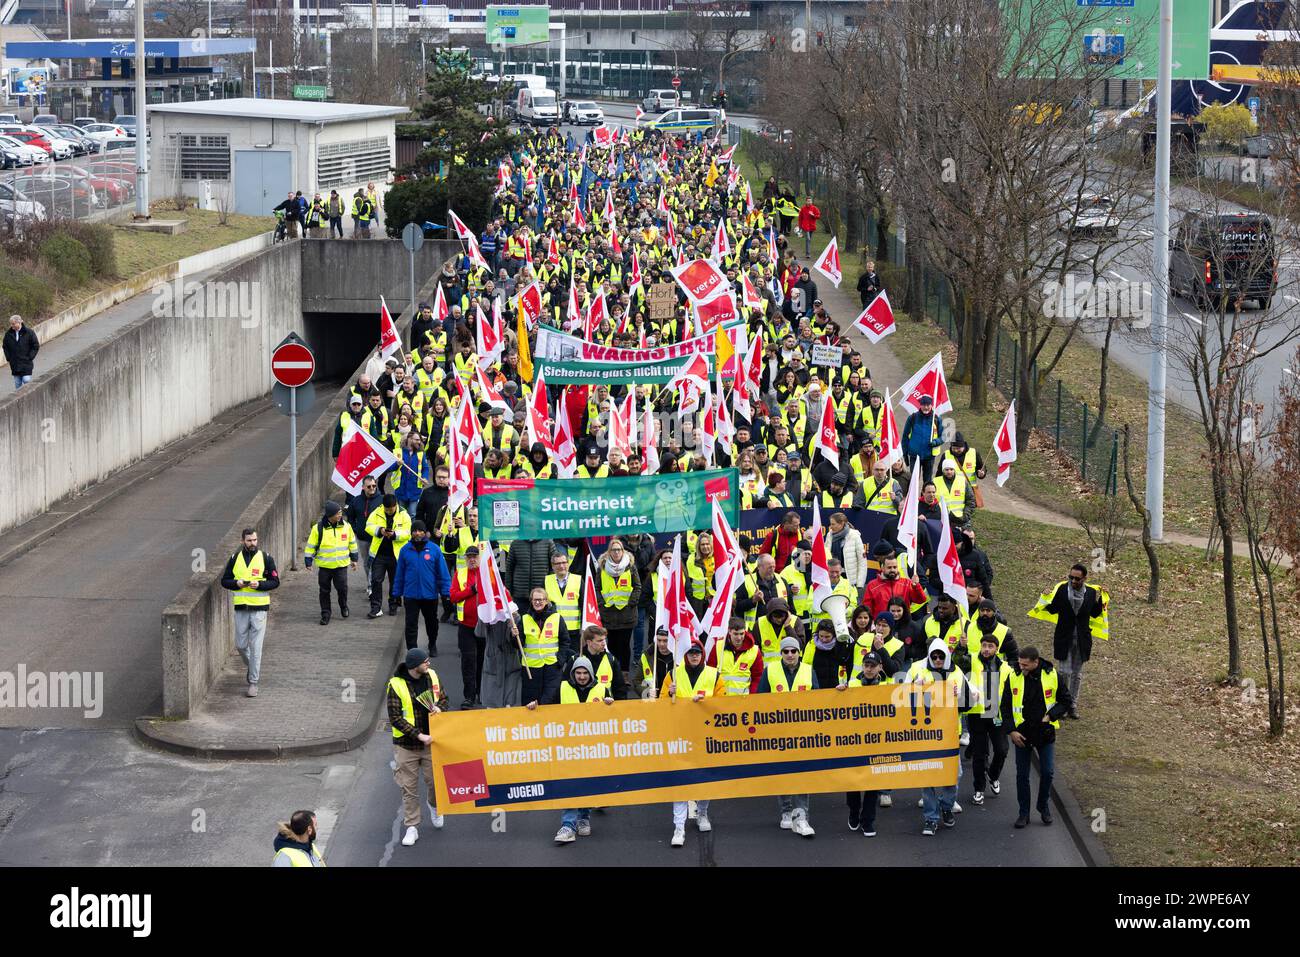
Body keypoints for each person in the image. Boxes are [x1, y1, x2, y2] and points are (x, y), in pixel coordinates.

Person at [527, 656, 613, 844]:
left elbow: (614, 718)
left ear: (591, 674)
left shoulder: (602, 689)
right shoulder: (562, 688)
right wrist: (534, 707)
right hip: (569, 747)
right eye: (578, 673)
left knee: (586, 783)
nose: (581, 677)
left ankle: (584, 817)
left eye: (585, 673)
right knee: (570, 784)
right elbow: (547, 708)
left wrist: (611, 706)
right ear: (573, 673)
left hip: (592, 747)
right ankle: (568, 824)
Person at [907, 639, 978, 836]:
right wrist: (914, 687)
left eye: (941, 656)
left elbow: (967, 705)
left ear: (946, 656)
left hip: (949, 735)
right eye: (934, 656)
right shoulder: (919, 672)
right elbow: (902, 699)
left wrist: (960, 696)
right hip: (925, 735)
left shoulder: (956, 673)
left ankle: (945, 806)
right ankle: (931, 818)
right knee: (928, 779)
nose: (937, 659)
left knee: (954, 776)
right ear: (929, 656)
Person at [1001, 646, 1072, 827]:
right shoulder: (1013, 676)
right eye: (1020, 663)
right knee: (1022, 775)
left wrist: (1051, 716)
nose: (1021, 667)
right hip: (1022, 734)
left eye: (1025, 665)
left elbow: (1065, 701)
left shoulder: (1052, 675)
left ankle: (1043, 806)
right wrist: (1011, 731)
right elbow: (1006, 707)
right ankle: (1023, 812)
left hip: (1044, 732)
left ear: (1036, 662)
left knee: (1047, 772)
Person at [1028, 564, 1108, 719]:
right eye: (1070, 577)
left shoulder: (1091, 593)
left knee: (1077, 674)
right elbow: (1052, 609)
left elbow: (1095, 613)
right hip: (1064, 638)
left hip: (1082, 640)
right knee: (1065, 672)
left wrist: (1102, 599)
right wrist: (1045, 596)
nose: (1073, 581)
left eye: (1077, 579)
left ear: (1085, 579)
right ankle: (1063, 703)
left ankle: (1072, 705)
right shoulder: (1062, 590)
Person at [387, 647, 448, 846]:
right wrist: (419, 735)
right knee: (409, 787)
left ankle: (434, 806)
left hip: (432, 743)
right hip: (406, 746)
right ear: (415, 666)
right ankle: (412, 826)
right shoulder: (396, 684)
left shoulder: (432, 676)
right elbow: (395, 718)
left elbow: (444, 699)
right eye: (425, 661)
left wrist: (441, 708)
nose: (428, 663)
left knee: (434, 783)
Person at [758, 637, 817, 836]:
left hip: (803, 733)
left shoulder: (809, 671)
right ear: (781, 653)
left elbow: (819, 700)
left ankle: (801, 817)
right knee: (782, 774)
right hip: (779, 734)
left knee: (802, 775)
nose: (790, 655)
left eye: (794, 651)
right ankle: (786, 812)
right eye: (786, 651)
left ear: (799, 652)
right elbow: (761, 700)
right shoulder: (770, 671)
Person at [664, 640, 716, 846]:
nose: (694, 656)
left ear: (702, 654)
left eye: (697, 653)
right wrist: (669, 694)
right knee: (680, 782)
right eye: (690, 653)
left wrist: (707, 704)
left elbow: (725, 703)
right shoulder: (673, 675)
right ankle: (679, 826)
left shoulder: (714, 675)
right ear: (685, 655)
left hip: (706, 736)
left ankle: (702, 813)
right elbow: (660, 705)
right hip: (680, 736)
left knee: (705, 779)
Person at [219, 527, 280, 697]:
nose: (253, 543)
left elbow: (275, 582)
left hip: (259, 609)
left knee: (256, 648)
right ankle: (252, 667)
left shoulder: (266, 558)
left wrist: (260, 585)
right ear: (242, 541)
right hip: (241, 608)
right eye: (249, 540)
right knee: (240, 645)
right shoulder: (234, 558)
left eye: (254, 540)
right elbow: (224, 581)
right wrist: (236, 583)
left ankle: (253, 682)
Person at [839, 651, 892, 835]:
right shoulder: (851, 685)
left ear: (880, 667)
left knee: (872, 783)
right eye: (866, 665)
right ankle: (854, 811)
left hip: (877, 742)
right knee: (853, 782)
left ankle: (868, 820)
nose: (869, 669)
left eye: (873, 666)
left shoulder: (888, 686)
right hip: (854, 742)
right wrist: (839, 693)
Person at [391, 520, 452, 653]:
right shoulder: (405, 550)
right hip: (411, 594)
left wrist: (446, 592)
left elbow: (443, 573)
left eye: (420, 530)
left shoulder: (434, 549)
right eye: (415, 531)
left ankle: (432, 644)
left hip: (429, 594)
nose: (417, 533)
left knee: (431, 622)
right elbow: (400, 573)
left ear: (425, 532)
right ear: (412, 533)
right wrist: (396, 593)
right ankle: (412, 650)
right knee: (411, 624)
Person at [968, 631, 1013, 807]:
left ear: (997, 649)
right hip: (977, 714)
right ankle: (978, 789)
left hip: (996, 715)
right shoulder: (971, 660)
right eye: (984, 645)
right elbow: (955, 661)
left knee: (1002, 750)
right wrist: (960, 647)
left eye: (990, 646)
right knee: (979, 754)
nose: (986, 649)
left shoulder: (1006, 668)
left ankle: (993, 775)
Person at [304, 501, 359, 625]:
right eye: (338, 513)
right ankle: (325, 613)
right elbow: (310, 546)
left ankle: (343, 606)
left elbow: (352, 543)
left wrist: (354, 559)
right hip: (324, 567)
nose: (340, 515)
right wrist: (308, 562)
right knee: (324, 591)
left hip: (341, 566)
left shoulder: (346, 526)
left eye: (340, 512)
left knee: (342, 589)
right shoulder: (317, 528)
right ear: (330, 515)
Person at [519, 586, 575, 707]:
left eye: (541, 599)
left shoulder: (557, 618)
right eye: (535, 600)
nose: (538, 602)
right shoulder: (524, 619)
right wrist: (513, 635)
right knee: (531, 701)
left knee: (550, 699)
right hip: (531, 668)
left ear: (546, 601)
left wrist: (560, 660)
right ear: (531, 601)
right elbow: (517, 643)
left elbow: (565, 641)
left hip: (552, 666)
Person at [595, 537, 641, 674]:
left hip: (627, 615)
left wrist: (631, 603)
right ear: (609, 552)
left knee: (625, 646)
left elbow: (637, 586)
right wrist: (602, 604)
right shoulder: (602, 568)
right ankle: (614, 674)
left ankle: (625, 673)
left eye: (619, 550)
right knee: (612, 646)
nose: (616, 552)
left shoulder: (630, 567)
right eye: (613, 550)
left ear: (623, 551)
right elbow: (597, 588)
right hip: (608, 615)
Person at [447, 546, 484, 709]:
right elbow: (453, 597)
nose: (472, 559)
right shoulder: (460, 574)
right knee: (468, 662)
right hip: (466, 626)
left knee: (482, 661)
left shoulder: (487, 573)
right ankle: (469, 696)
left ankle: (481, 693)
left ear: (479, 557)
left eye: (474, 556)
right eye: (469, 557)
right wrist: (471, 590)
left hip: (484, 627)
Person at [366, 493, 411, 619]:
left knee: (395, 581)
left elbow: (407, 533)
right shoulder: (377, 511)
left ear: (395, 505)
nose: (389, 512)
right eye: (387, 509)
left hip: (396, 555)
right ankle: (376, 607)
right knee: (376, 580)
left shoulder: (403, 514)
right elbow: (368, 526)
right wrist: (380, 530)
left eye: (391, 509)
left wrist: (395, 535)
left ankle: (393, 604)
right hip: (379, 554)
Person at [708, 617, 762, 695]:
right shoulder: (718, 646)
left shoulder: (755, 651)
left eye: (742, 634)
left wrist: (752, 697)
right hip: (720, 699)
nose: (739, 638)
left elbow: (757, 678)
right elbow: (710, 673)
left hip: (743, 701)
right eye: (736, 634)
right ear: (729, 631)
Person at [577, 624, 627, 700]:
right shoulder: (576, 660)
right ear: (589, 642)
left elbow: (620, 690)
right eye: (600, 640)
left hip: (604, 707)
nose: (604, 643)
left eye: (604, 639)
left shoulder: (612, 660)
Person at [901, 394, 943, 482]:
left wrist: (936, 442)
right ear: (920, 405)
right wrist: (904, 454)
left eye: (928, 405)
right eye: (924, 405)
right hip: (914, 455)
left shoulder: (936, 419)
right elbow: (905, 437)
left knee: (927, 481)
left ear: (931, 405)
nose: (926, 407)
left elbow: (943, 437)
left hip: (929, 456)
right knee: (914, 480)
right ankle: (914, 496)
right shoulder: (912, 418)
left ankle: (924, 496)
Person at [4, 314, 39, 389]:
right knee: (17, 384)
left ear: (19, 322)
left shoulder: (29, 332)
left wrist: (30, 356)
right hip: (15, 364)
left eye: (13, 324)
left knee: (26, 380)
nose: (12, 326)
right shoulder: (8, 334)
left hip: (26, 362)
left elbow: (35, 345)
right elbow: (5, 346)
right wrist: (9, 358)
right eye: (11, 324)